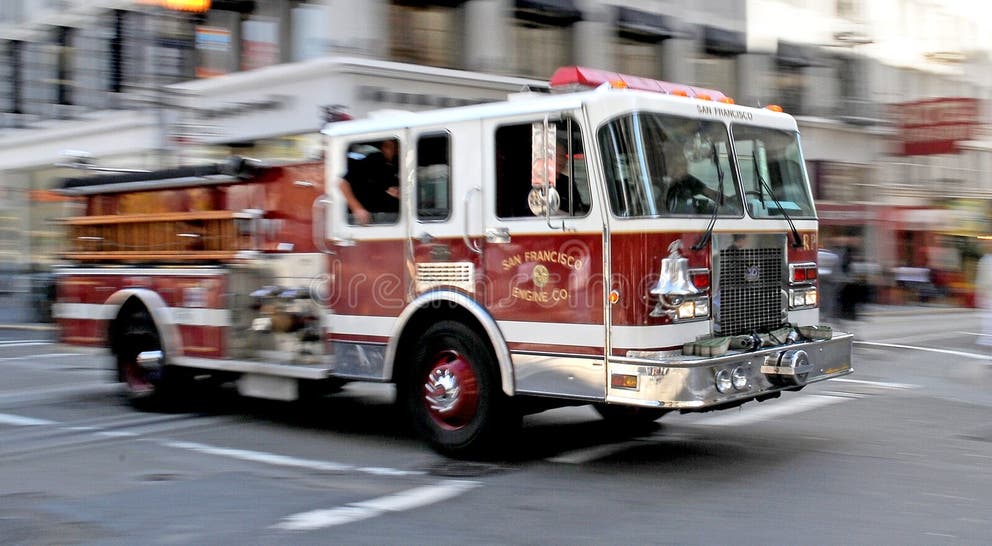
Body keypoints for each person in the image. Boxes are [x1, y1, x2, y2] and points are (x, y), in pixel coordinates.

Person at [338, 139, 400, 225]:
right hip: (371, 219)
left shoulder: (399, 165)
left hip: (395, 219)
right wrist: (357, 209)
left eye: (396, 146)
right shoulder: (373, 161)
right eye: (387, 146)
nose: (393, 149)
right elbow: (343, 183)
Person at [975, 239, 992, 348]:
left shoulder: (986, 260)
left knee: (988, 317)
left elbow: (984, 279)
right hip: (987, 293)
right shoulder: (985, 259)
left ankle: (987, 338)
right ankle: (987, 338)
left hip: (988, 293)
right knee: (987, 317)